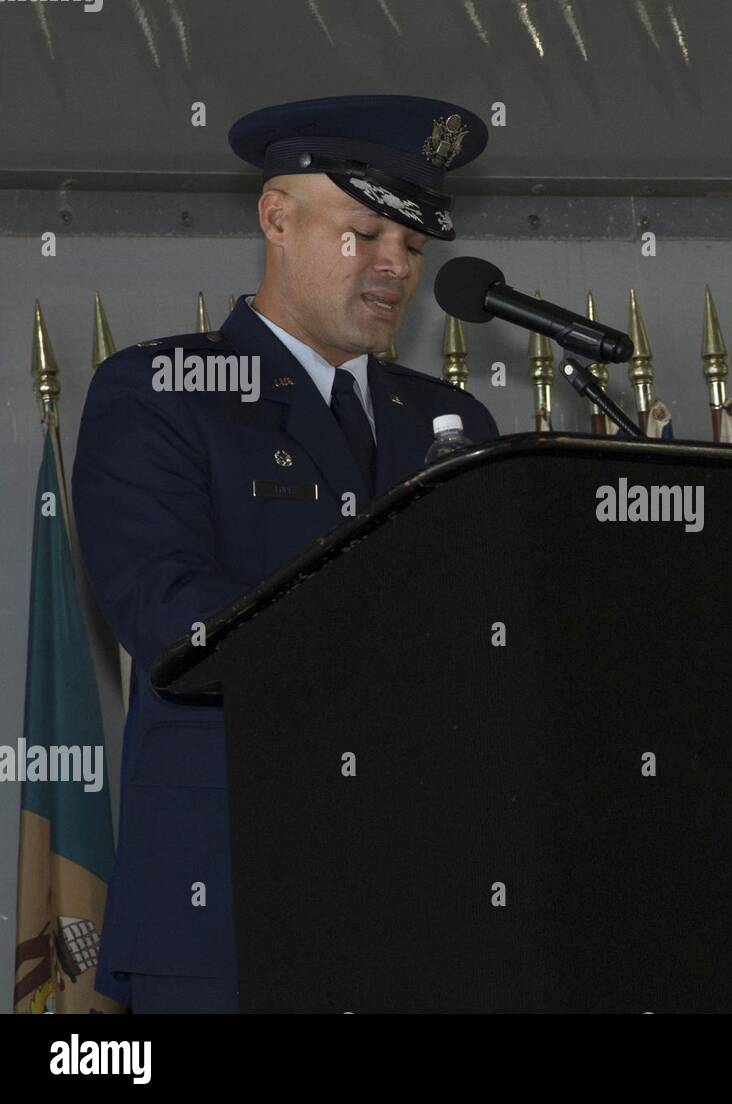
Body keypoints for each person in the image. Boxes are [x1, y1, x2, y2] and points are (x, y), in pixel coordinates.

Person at [72, 95, 497, 1012]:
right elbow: (171, 619)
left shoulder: (447, 422)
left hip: (419, 905)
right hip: (230, 900)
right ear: (276, 217)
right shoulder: (163, 393)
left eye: (415, 246)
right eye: (367, 231)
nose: (395, 266)